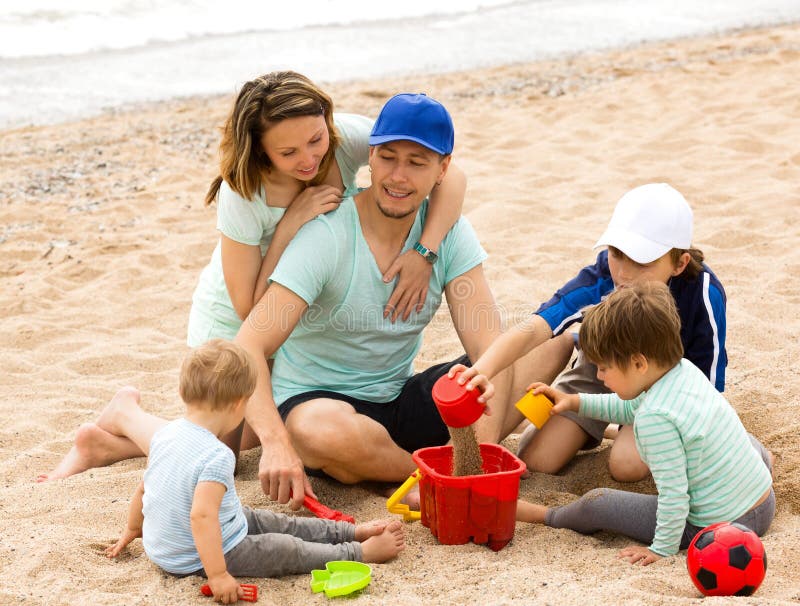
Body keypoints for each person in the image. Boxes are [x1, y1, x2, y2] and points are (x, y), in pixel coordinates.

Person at [37, 93, 570, 502]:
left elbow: (487, 344)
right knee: (289, 432)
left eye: (417, 163)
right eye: (387, 159)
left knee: (543, 349)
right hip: (320, 401)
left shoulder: (449, 233)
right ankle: (432, 473)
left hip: (395, 396)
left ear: (443, 170)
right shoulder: (322, 232)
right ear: (370, 155)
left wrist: (483, 448)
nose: (399, 176)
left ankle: (452, 467)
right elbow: (248, 344)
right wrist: (274, 442)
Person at [450, 183, 727, 481]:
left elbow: (706, 390)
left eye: (642, 260)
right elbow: (537, 326)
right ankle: (602, 418)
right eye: (617, 253)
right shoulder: (605, 276)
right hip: (604, 369)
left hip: (662, 388)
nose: (624, 272)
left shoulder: (703, 294)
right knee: (537, 459)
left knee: (625, 466)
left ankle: (613, 426)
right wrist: (481, 369)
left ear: (679, 263)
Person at [104, 340, 405, 604]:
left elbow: (145, 489)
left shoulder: (164, 435)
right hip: (195, 556)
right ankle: (358, 553)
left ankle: (349, 532)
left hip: (172, 545)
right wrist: (218, 574)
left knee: (268, 520)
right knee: (285, 549)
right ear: (239, 406)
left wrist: (133, 529)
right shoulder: (216, 454)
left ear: (183, 391)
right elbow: (202, 516)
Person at [187, 71, 468, 348]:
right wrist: (289, 225)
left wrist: (424, 252)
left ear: (326, 119)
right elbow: (249, 311)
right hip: (232, 328)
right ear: (262, 150)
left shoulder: (341, 137)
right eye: (288, 153)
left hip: (302, 323)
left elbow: (449, 175)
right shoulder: (243, 192)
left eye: (315, 140)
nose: (309, 160)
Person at [515, 283, 774, 566]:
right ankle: (763, 462)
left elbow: (675, 497)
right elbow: (629, 407)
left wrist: (660, 549)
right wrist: (575, 402)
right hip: (763, 497)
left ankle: (548, 515)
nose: (600, 377)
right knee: (725, 433)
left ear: (639, 364)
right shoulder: (682, 371)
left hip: (724, 525)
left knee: (600, 502)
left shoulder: (655, 420)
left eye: (604, 368)